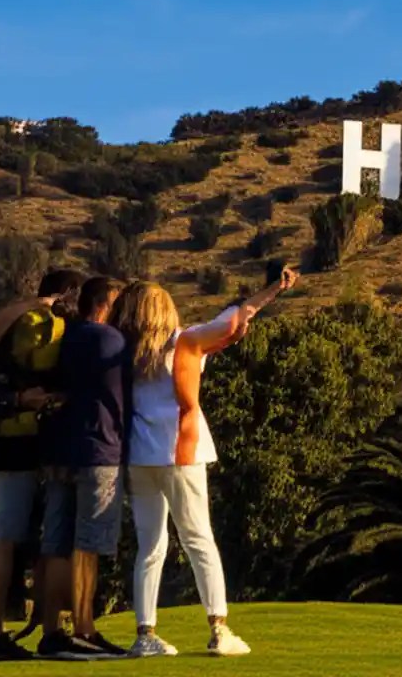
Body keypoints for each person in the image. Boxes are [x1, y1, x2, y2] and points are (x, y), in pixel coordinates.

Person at [109, 268, 297, 658]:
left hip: (139, 457)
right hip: (180, 451)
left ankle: (146, 633)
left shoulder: (124, 356)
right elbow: (235, 317)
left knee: (150, 545)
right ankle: (219, 628)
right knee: (198, 539)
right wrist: (273, 291)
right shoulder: (185, 342)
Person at [0, 269, 87, 661]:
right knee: (45, 541)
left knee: (8, 537)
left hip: (9, 444)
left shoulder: (16, 323)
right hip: (44, 443)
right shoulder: (56, 328)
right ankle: (45, 631)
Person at [37, 275, 129, 659]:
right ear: (107, 303)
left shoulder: (67, 337)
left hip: (60, 446)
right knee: (87, 546)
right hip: (98, 448)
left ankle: (52, 631)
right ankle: (84, 629)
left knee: (56, 542)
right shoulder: (112, 341)